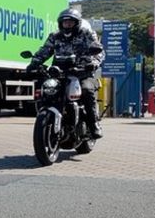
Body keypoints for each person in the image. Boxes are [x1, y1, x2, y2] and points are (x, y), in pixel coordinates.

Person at [26, 8, 104, 138]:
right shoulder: (55, 36)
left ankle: (93, 124)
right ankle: (47, 117)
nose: (67, 25)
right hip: (59, 73)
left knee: (86, 90)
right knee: (48, 90)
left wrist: (94, 63)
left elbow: (99, 51)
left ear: (77, 23)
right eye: (65, 22)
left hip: (82, 72)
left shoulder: (86, 34)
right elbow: (45, 51)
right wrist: (34, 63)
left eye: (70, 22)